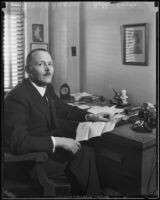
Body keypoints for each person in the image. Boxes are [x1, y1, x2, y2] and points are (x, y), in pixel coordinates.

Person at [4, 49, 113, 197]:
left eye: (50, 64)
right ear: (28, 70)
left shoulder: (46, 88)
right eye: (41, 64)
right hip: (32, 161)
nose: (48, 69)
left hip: (45, 150)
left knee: (86, 152)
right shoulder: (17, 97)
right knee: (84, 155)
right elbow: (19, 143)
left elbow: (64, 109)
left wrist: (91, 116)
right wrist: (58, 141)